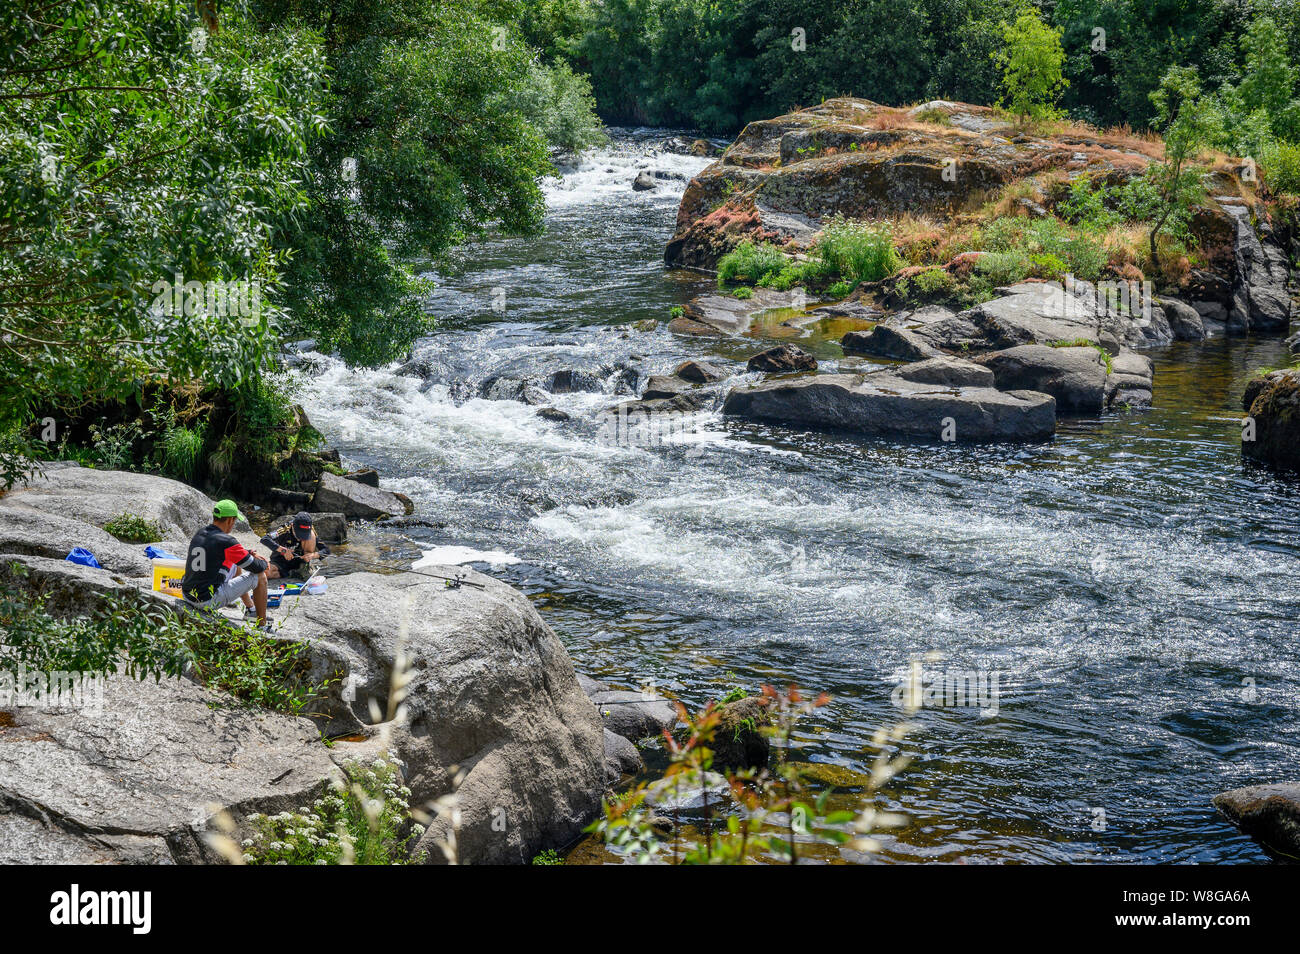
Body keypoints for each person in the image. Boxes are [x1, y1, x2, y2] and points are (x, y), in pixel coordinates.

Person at [181, 499, 270, 629]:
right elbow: (257, 568)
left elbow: (220, 551)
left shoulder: (200, 533)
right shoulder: (227, 541)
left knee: (235, 562)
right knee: (260, 577)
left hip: (187, 594)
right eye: (234, 521)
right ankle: (262, 626)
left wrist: (249, 552)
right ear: (229, 520)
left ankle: (251, 610)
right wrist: (263, 561)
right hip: (206, 600)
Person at [260, 511, 326, 581]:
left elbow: (323, 551)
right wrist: (284, 551)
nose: (300, 538)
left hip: (299, 561)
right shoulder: (285, 529)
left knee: (312, 536)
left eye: (304, 535)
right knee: (266, 573)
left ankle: (305, 568)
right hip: (280, 561)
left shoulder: (310, 529)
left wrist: (311, 556)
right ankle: (292, 573)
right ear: (292, 525)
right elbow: (264, 539)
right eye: (298, 534)